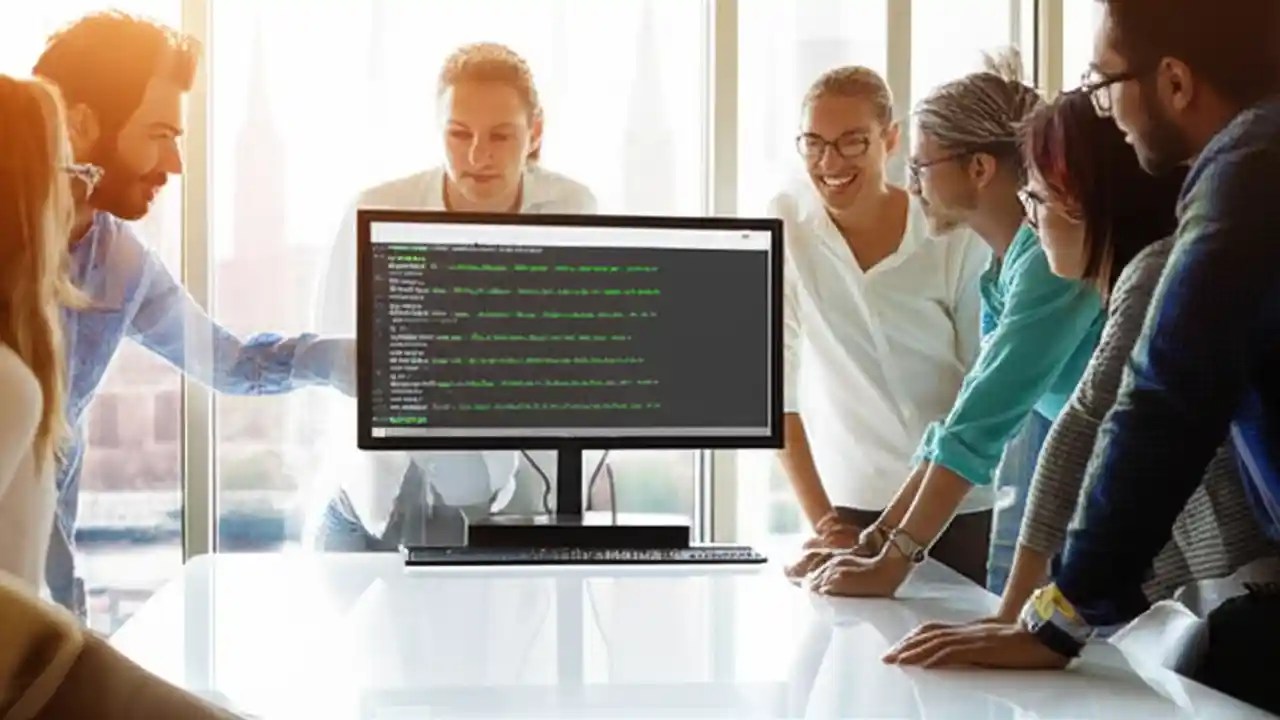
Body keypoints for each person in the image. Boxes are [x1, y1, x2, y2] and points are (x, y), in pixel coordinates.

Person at [886, 2, 1280, 711]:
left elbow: (1151, 409)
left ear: (1176, 82)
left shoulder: (1248, 169)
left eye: (1104, 83)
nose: (1110, 113)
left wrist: (1052, 622)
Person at [33, 11, 356, 620]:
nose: (176, 163)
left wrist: (349, 361)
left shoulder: (122, 264)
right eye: (159, 133)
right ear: (79, 123)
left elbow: (229, 362)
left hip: (47, 605)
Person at [790, 53, 1104, 596]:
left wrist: (892, 562)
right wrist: (874, 545)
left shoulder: (1049, 264)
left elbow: (976, 428)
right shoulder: (1003, 266)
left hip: (1191, 503)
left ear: (979, 170)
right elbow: (966, 416)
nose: (911, 188)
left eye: (920, 169)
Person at [0, 74, 242, 720]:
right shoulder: (8, 383)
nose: (79, 190)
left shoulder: (121, 268)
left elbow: (227, 358)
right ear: (25, 194)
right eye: (66, 169)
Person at [312, 42, 599, 551]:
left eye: (500, 136)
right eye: (459, 133)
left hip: (510, 502)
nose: (476, 156)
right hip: (376, 502)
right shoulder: (376, 209)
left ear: (534, 134)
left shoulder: (572, 208)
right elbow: (337, 353)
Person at [773, 66, 992, 584]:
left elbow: (981, 383)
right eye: (813, 143)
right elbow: (774, 395)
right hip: (850, 508)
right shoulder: (788, 230)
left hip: (956, 505)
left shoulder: (949, 234)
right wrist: (825, 524)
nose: (829, 162)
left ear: (890, 140)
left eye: (852, 142)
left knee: (945, 656)